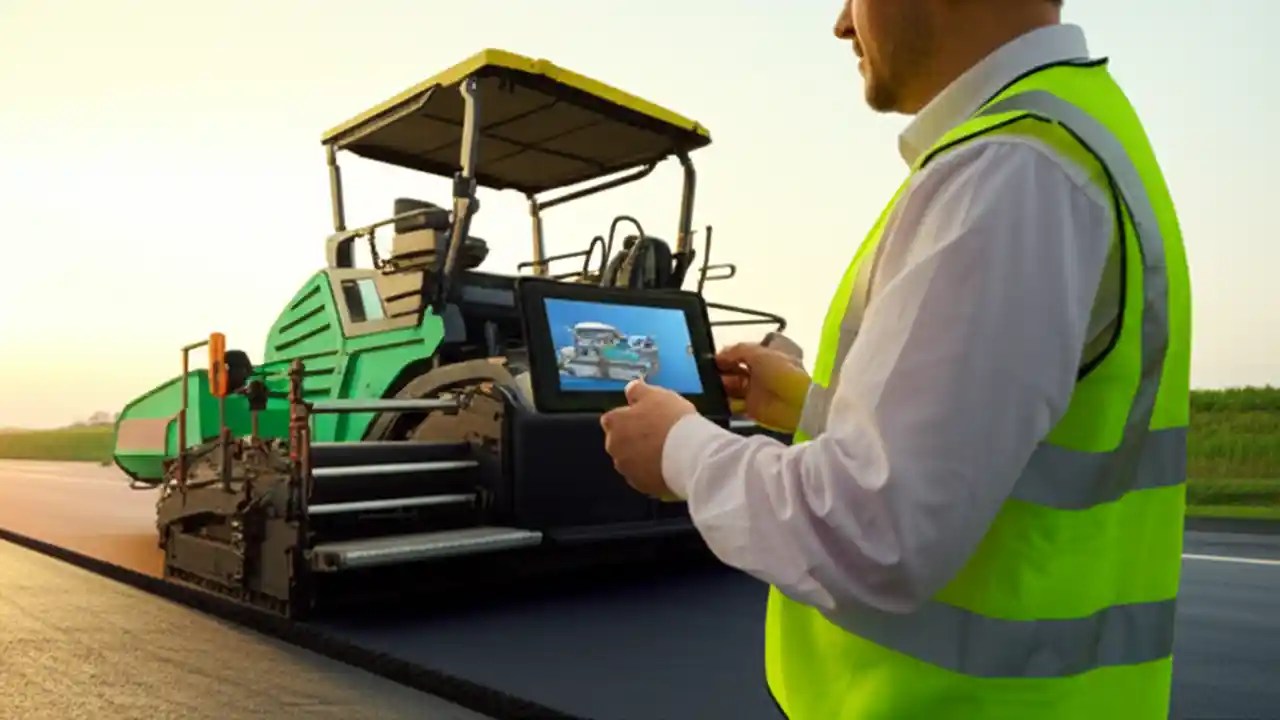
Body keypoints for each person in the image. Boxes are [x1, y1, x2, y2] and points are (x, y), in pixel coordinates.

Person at [600, 0, 1191, 717]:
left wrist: (681, 451)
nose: (842, 23)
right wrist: (813, 408)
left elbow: (873, 533)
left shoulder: (1012, 170)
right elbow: (984, 448)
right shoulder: (1069, 136)